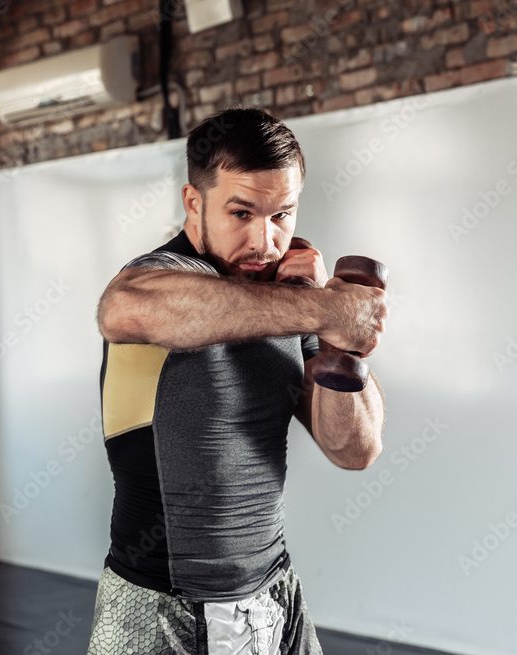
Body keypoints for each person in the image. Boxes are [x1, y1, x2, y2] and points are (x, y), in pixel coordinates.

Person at [86, 107, 388, 655]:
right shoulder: (164, 279)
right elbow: (120, 308)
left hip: (275, 595)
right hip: (160, 606)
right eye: (242, 213)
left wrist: (337, 335)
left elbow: (354, 448)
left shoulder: (294, 298)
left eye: (281, 215)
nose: (265, 242)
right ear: (194, 203)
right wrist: (321, 310)